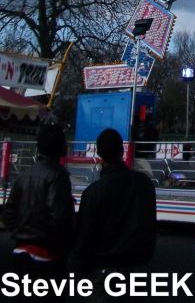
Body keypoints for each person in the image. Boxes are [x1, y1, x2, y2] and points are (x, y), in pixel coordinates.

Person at [73, 128, 156, 294]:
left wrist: (79, 268)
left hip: (102, 271)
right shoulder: (145, 184)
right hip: (137, 267)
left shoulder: (93, 192)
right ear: (122, 150)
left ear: (99, 154)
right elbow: (150, 226)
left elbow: (85, 235)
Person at [3, 122, 75, 282]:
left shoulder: (23, 175)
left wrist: (19, 232)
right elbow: (59, 218)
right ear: (61, 147)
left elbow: (9, 212)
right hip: (47, 256)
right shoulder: (58, 177)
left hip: (20, 250)